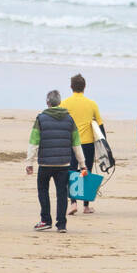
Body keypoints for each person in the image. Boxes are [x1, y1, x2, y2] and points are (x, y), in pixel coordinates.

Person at [25, 89, 86, 232]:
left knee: (43, 190)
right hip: (64, 163)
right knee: (62, 194)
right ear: (59, 102)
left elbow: (33, 143)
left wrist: (29, 163)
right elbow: (76, 145)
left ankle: (46, 220)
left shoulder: (41, 119)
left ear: (48, 103)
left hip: (45, 164)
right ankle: (61, 224)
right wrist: (82, 164)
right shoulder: (70, 119)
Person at [61, 73, 111, 216]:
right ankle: (86, 206)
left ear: (71, 87)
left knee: (71, 171)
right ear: (85, 87)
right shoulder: (92, 104)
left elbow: (60, 122)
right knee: (86, 171)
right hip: (87, 144)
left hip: (71, 143)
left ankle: (72, 203)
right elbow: (100, 126)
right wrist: (105, 145)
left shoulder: (64, 103)